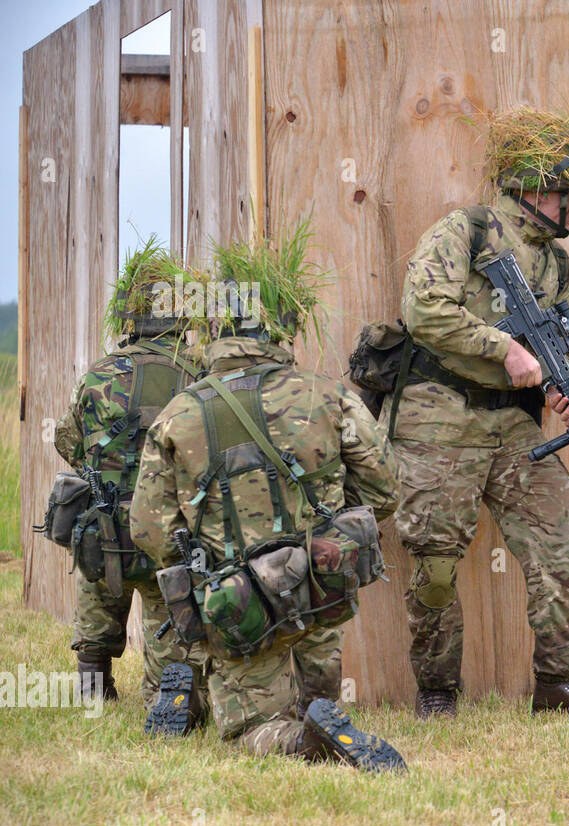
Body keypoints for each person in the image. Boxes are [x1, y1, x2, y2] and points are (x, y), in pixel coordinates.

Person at [387, 106, 569, 719]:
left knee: (562, 537)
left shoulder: (556, 262)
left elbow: (553, 348)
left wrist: (561, 392)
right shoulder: (465, 232)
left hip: (512, 424)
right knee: (436, 561)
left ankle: (559, 684)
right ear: (536, 188)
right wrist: (505, 347)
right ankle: (437, 693)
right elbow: (424, 312)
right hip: (438, 415)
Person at [130, 237, 407, 770]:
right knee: (316, 694)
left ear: (214, 332)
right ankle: (320, 715)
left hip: (240, 608)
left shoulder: (179, 413)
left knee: (250, 732)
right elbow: (384, 488)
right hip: (321, 588)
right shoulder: (327, 393)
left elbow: (148, 529)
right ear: (280, 327)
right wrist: (324, 522)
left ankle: (297, 739)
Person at [52, 241, 210, 732]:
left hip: (106, 526)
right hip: (168, 528)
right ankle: (169, 696)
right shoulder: (197, 374)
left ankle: (92, 680)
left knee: (99, 583)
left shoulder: (99, 374)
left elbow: (68, 440)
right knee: (168, 608)